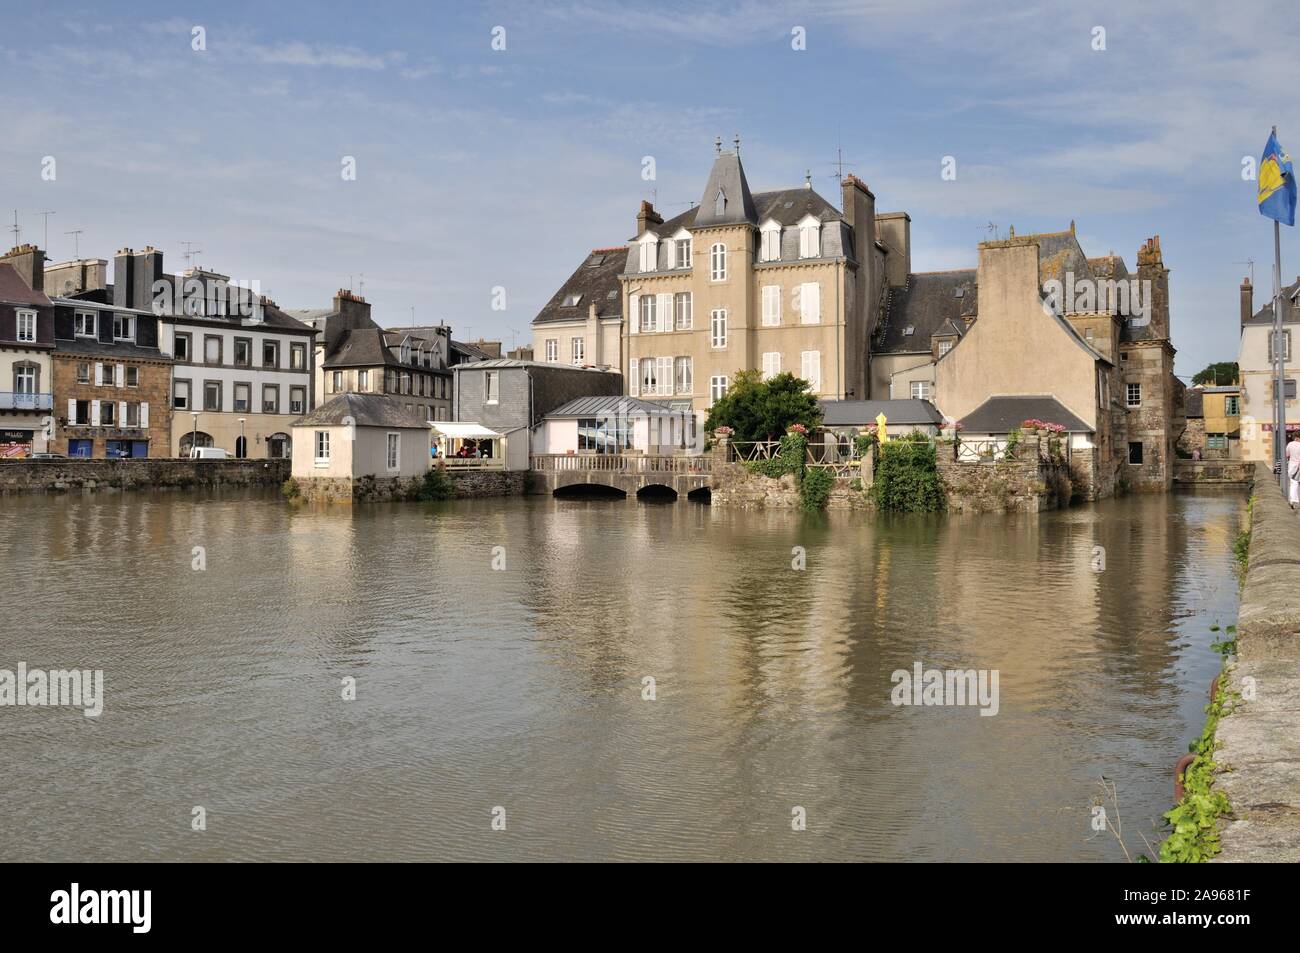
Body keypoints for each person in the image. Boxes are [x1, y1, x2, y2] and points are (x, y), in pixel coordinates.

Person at [1287, 431, 1300, 506]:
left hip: (1292, 466)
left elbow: (1287, 455)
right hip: (1298, 465)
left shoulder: (1290, 444)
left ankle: (1293, 500)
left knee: (1293, 483)